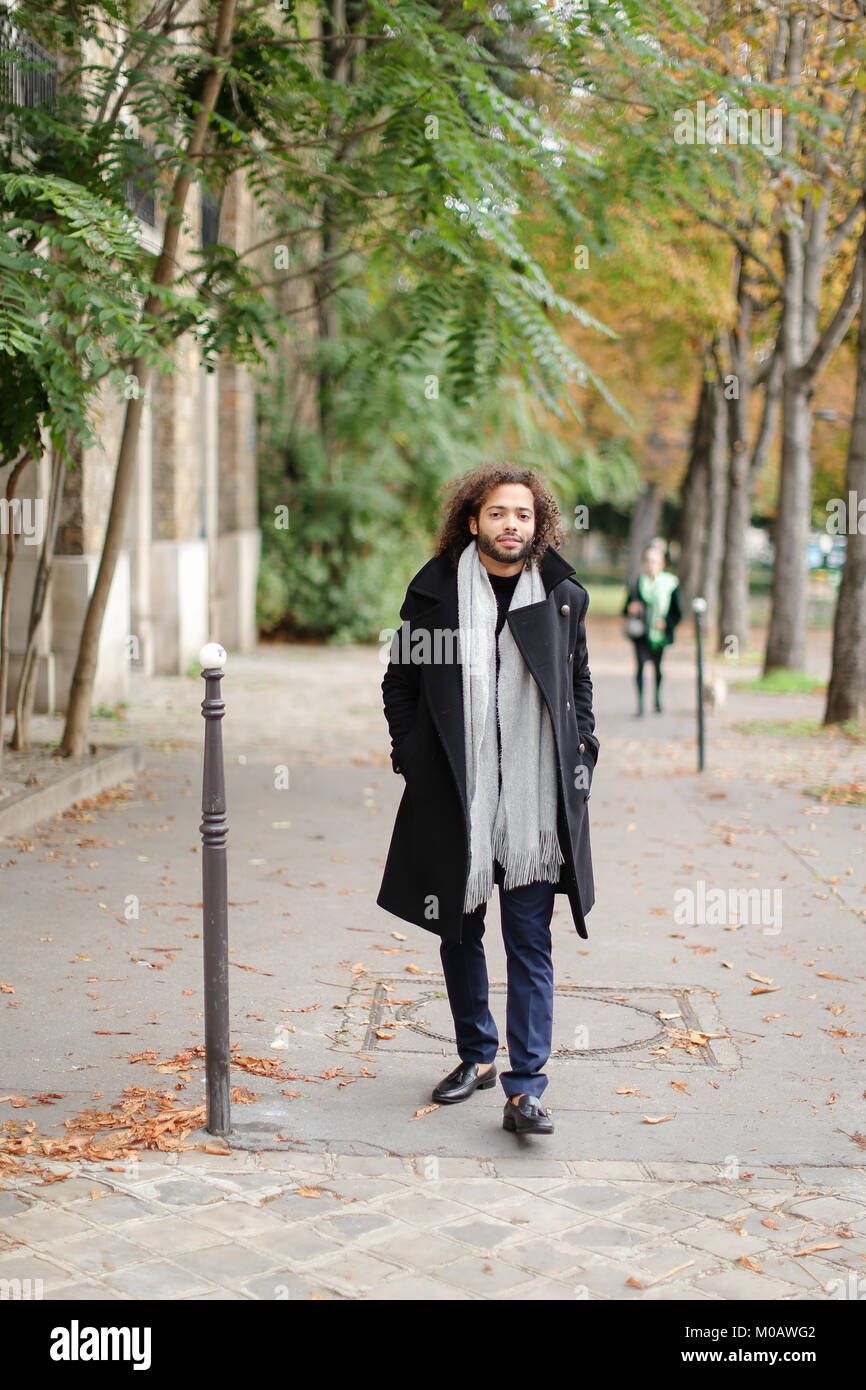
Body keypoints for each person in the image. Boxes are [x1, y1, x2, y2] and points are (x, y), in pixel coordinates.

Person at [378, 463, 599, 1136]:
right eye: (499, 513)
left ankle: (526, 1088)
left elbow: (579, 680)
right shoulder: (436, 594)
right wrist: (414, 760)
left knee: (529, 940)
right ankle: (476, 1054)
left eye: (523, 515)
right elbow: (400, 683)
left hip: (534, 806)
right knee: (459, 931)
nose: (511, 525)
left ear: (539, 524)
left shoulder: (561, 596)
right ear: (473, 521)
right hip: (459, 795)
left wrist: (583, 752)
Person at [622, 544, 681, 716]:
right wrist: (631, 609)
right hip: (641, 633)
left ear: (662, 564)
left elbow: (677, 613)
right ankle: (640, 704)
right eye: (648, 561)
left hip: (659, 635)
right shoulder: (637, 583)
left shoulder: (670, 584)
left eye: (654, 561)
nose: (651, 564)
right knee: (640, 666)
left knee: (657, 668)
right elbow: (625, 608)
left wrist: (666, 624)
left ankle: (657, 699)